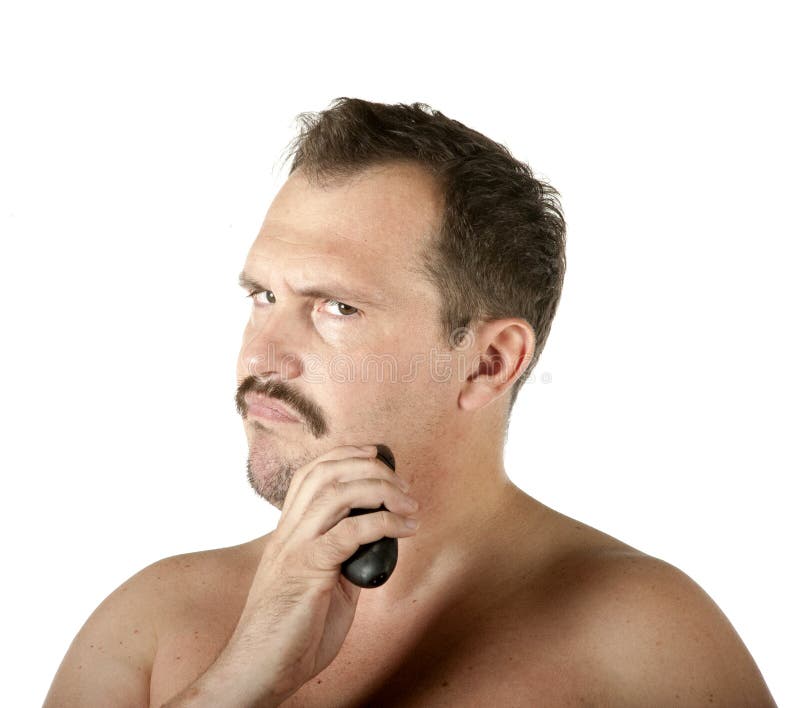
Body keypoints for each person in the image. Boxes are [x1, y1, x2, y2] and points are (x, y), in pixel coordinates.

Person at [43, 97, 777, 707]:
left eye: (337, 308)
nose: (260, 357)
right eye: (263, 296)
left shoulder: (646, 644)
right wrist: (241, 679)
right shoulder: (151, 625)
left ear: (488, 363)